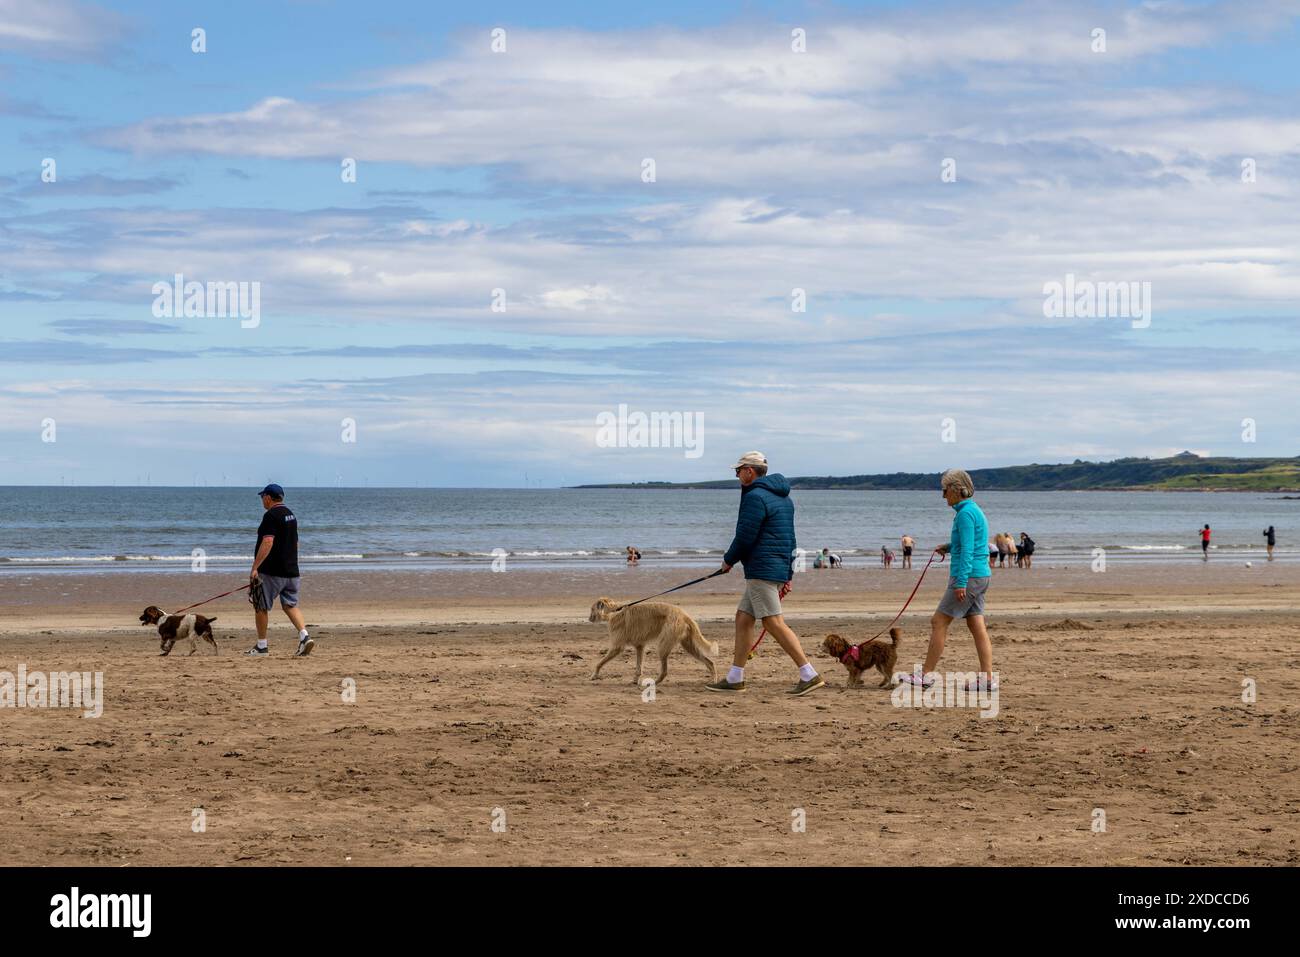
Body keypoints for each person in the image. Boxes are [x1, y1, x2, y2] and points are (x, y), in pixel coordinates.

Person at [707, 451, 822, 696]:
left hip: (762, 566)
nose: (736, 475)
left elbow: (745, 536)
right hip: (775, 566)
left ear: (750, 470)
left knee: (772, 621)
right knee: (743, 618)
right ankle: (735, 677)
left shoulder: (755, 497)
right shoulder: (784, 499)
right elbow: (791, 539)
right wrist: (789, 574)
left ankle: (808, 673)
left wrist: (728, 560)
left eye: (738, 470)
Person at [899, 468, 994, 691]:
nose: (943, 496)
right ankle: (988, 679)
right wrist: (949, 547)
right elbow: (972, 543)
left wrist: (960, 582)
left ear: (956, 490)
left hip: (969, 577)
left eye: (944, 490)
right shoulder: (972, 510)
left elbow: (970, 549)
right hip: (981, 576)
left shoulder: (965, 514)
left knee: (938, 622)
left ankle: (925, 675)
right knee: (976, 624)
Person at [246, 484, 313, 657]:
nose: (262, 500)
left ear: (268, 497)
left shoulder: (271, 515)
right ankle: (304, 636)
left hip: (272, 571)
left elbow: (267, 542)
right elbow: (296, 543)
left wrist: (255, 568)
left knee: (260, 606)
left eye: (262, 497)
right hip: (292, 570)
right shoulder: (291, 515)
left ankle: (262, 646)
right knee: (290, 605)